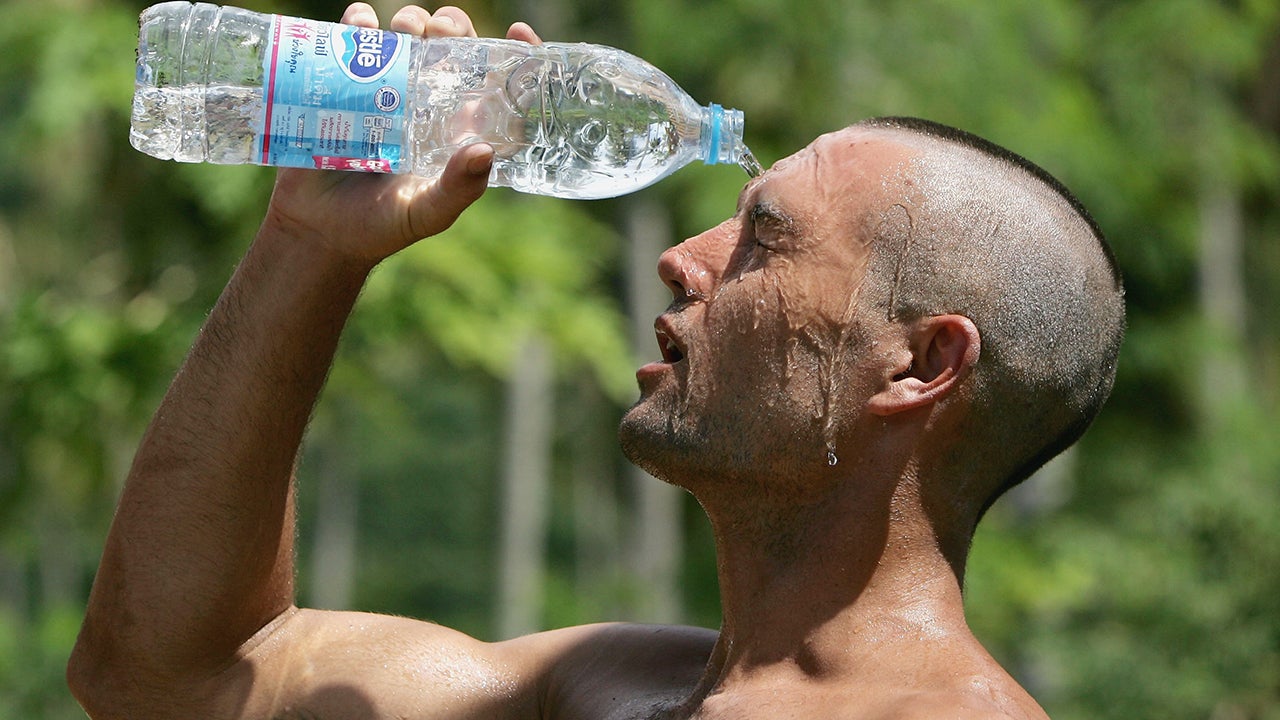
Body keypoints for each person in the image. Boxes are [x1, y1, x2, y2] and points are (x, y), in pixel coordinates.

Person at [67, 4, 1124, 719]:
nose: (680, 258)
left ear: (918, 364)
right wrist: (308, 247)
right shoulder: (607, 686)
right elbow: (167, 674)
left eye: (765, 237)